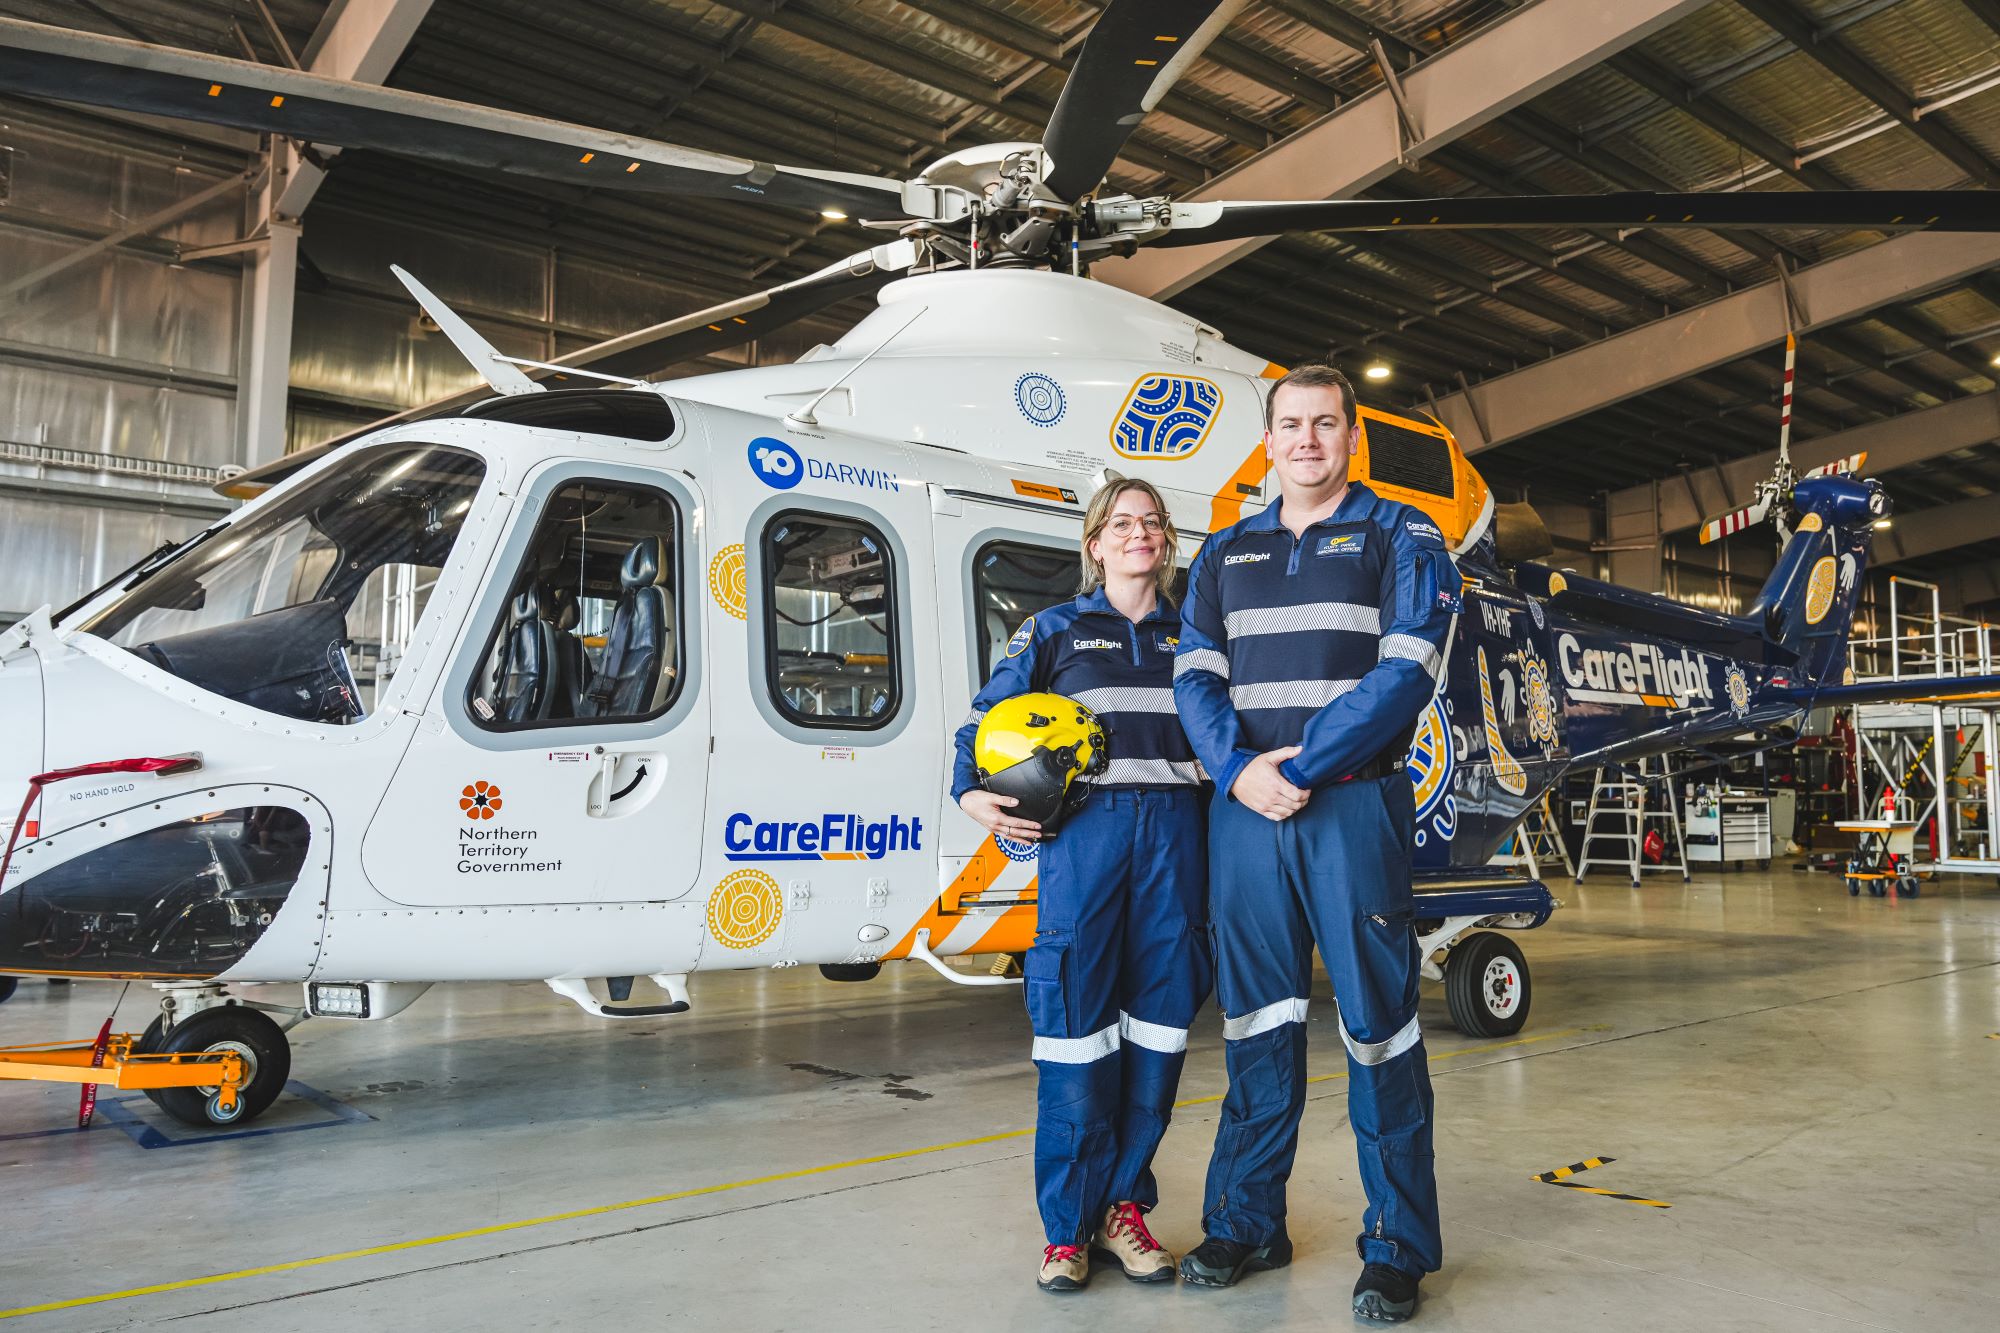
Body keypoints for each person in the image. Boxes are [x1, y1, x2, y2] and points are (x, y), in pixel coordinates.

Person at [1172, 364, 1461, 1323]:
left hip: (1348, 808)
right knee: (1256, 1025)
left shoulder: (1401, 535)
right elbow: (1195, 679)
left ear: (1349, 438)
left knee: (1380, 1029)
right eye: (1290, 424)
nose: (1307, 439)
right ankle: (1247, 1220)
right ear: (1269, 438)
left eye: (1325, 424)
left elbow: (1407, 669)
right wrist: (1239, 769)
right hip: (1247, 813)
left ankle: (1396, 1246)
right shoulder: (1223, 552)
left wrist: (1301, 766)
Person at [950, 478, 1211, 1294]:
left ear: (1165, 542)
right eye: (1121, 523)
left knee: (1159, 1035)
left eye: (1152, 522)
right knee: (1073, 1038)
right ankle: (1066, 1229)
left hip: (1178, 838)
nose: (1139, 533)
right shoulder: (1054, 631)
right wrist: (968, 787)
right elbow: (984, 720)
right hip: (1086, 841)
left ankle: (1123, 1207)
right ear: (1095, 544)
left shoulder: (1198, 635)